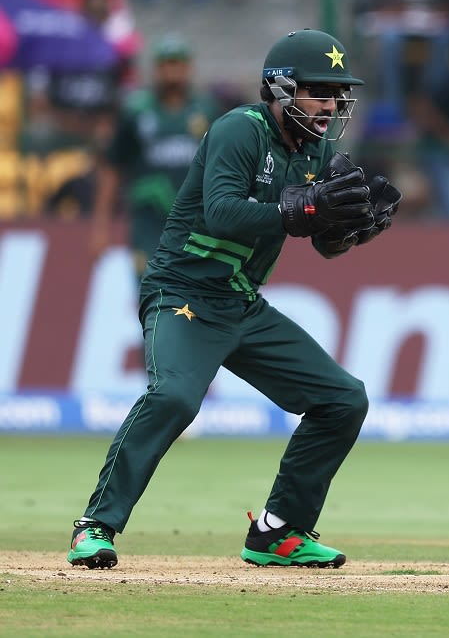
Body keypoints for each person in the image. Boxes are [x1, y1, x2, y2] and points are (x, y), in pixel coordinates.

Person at [67, 29, 403, 570]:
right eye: (321, 90)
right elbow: (222, 211)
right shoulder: (237, 129)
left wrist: (353, 229)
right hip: (183, 292)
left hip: (241, 302)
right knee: (174, 398)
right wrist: (310, 211)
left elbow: (323, 245)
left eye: (339, 92)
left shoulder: (318, 149)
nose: (334, 103)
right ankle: (96, 525)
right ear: (281, 88)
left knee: (343, 400)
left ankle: (278, 532)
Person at [90, 33, 219, 280]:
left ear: (188, 67)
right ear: (156, 69)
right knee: (150, 291)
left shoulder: (207, 110)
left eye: (177, 63)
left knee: (194, 297)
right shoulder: (136, 112)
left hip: (196, 219)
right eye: (166, 64)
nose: (172, 71)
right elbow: (112, 167)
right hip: (148, 218)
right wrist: (100, 228)